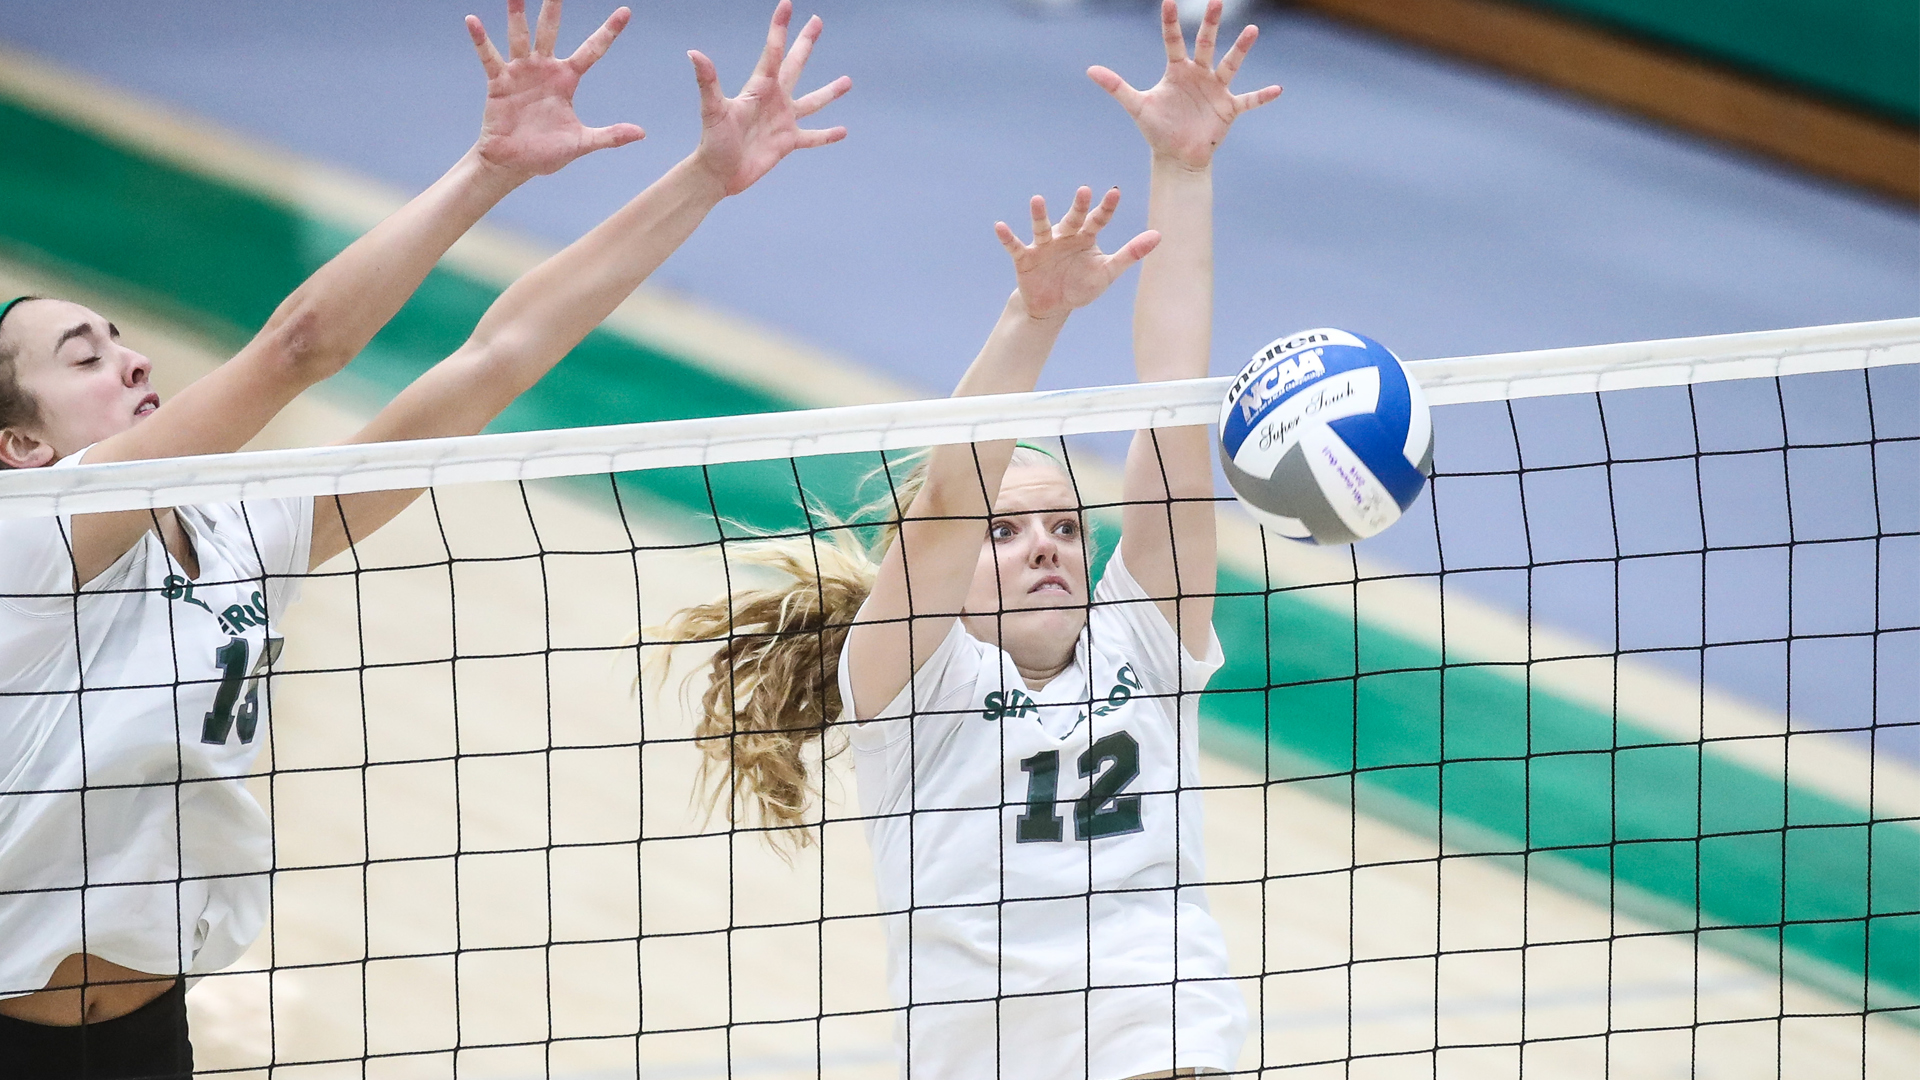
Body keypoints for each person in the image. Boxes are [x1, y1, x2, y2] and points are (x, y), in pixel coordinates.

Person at [0, 0, 848, 1073]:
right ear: (21, 448)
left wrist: (702, 180)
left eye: (121, 340)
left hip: (145, 1034)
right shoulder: (30, 543)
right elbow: (300, 347)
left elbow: (498, 354)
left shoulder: (243, 530)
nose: (128, 360)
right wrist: (490, 170)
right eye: (83, 358)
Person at [652, 4, 1279, 1076]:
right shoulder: (912, 686)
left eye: (1067, 528)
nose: (1047, 546)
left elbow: (1174, 410)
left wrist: (1182, 172)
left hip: (1167, 1045)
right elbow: (947, 498)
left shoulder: (1150, 644)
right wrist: (1034, 318)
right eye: (1009, 530)